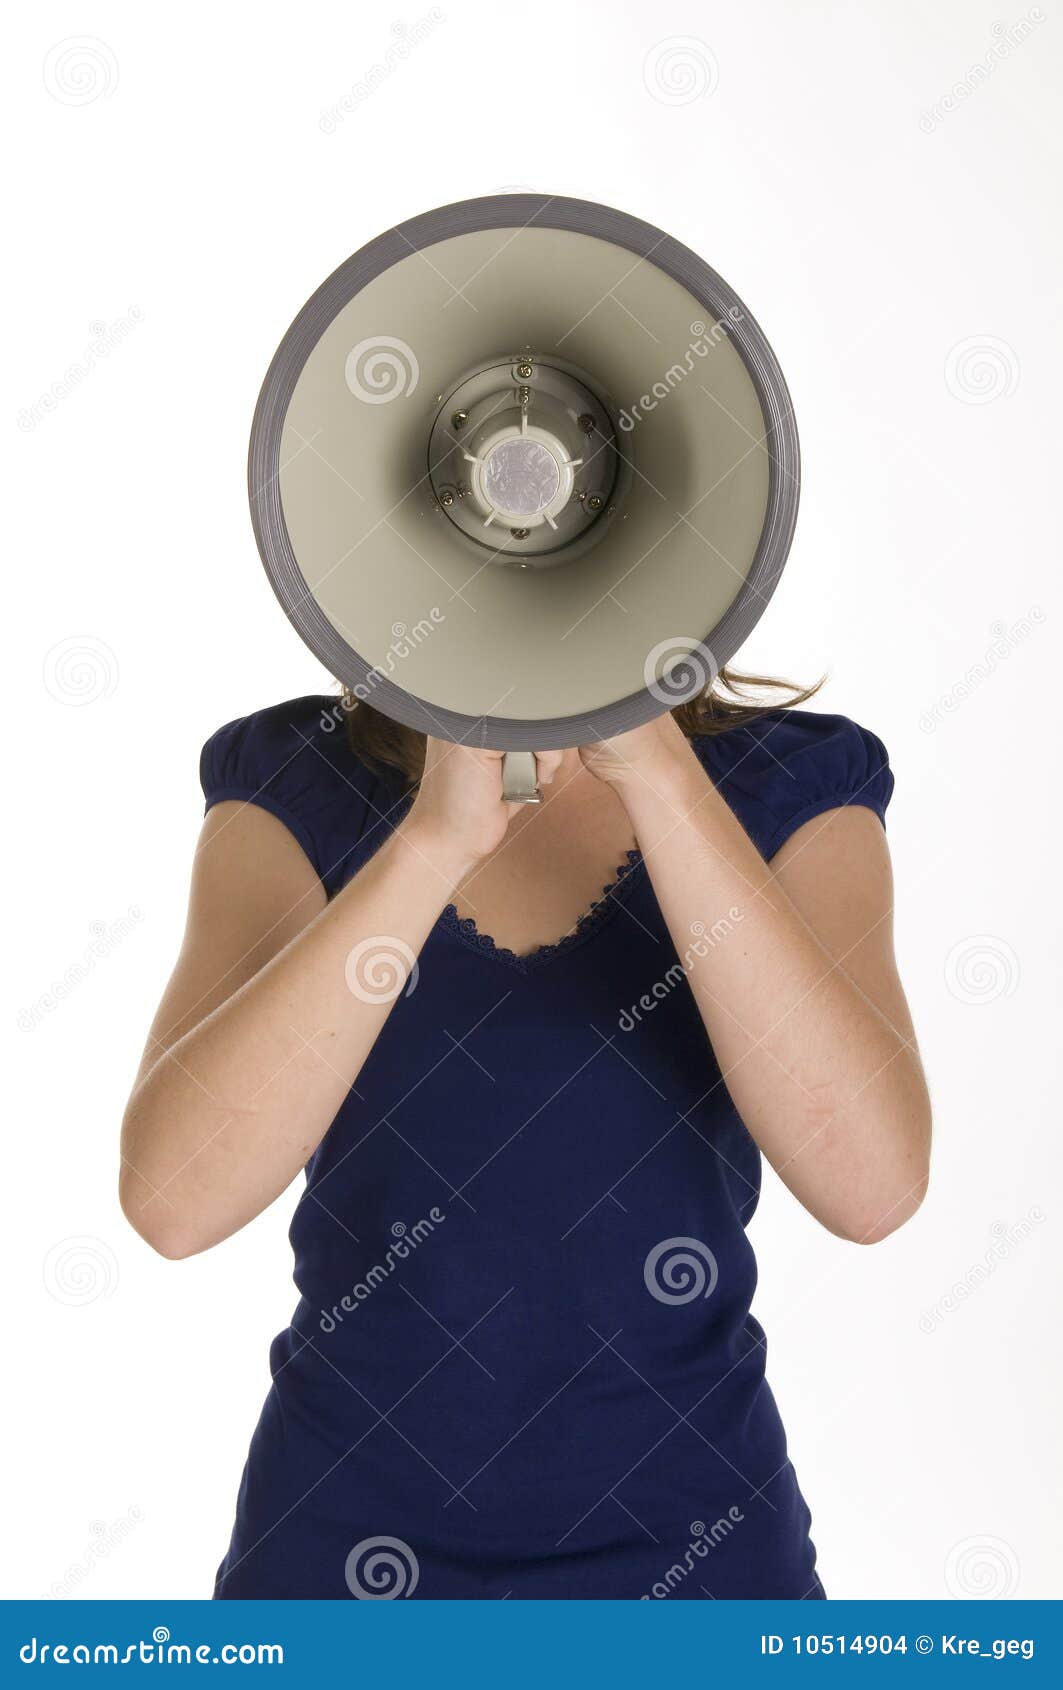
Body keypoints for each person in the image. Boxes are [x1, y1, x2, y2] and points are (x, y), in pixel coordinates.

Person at [119, 673, 931, 1598]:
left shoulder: (795, 782)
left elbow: (873, 1189)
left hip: (699, 1561)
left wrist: (660, 774)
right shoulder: (296, 776)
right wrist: (434, 841)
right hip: (337, 1565)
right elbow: (174, 1202)